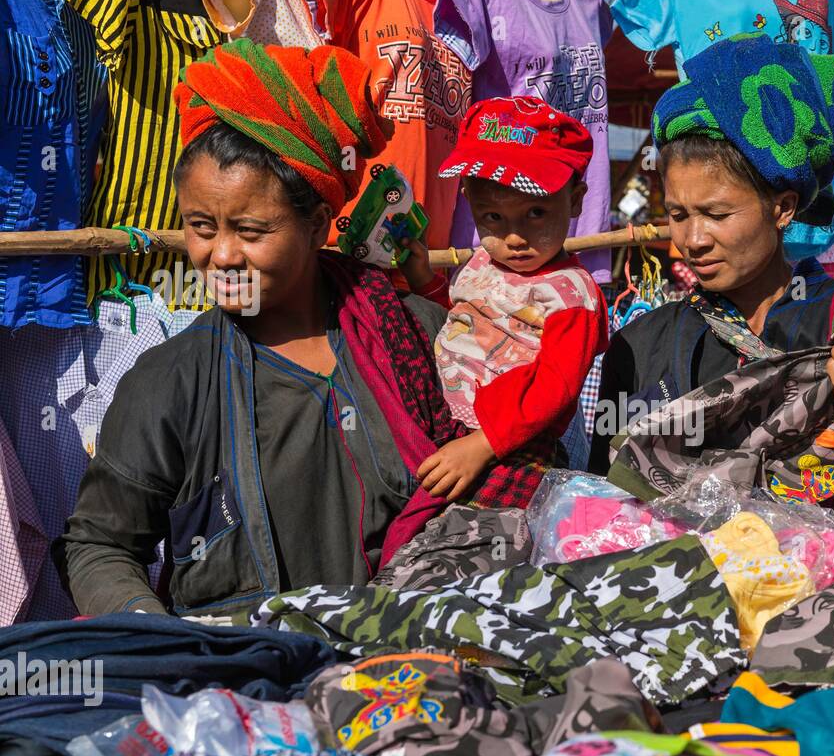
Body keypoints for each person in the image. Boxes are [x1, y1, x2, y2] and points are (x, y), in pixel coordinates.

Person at [54, 40, 549, 620]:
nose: (222, 256)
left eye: (250, 229)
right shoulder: (169, 382)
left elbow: (523, 461)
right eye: (201, 227)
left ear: (317, 226)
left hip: (416, 664)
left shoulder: (422, 338)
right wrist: (159, 632)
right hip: (248, 674)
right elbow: (99, 546)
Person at [590, 34, 834, 541]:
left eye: (717, 214)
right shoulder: (639, 346)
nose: (693, 240)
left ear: (782, 207)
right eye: (677, 215)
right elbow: (602, 510)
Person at [398, 96, 607, 502]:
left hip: (513, 448)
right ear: (470, 203)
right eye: (493, 217)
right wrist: (423, 280)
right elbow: (462, 319)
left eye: (536, 213)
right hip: (449, 420)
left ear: (576, 201)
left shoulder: (572, 297)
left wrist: (482, 447)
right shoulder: (482, 261)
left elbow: (555, 389)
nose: (514, 237)